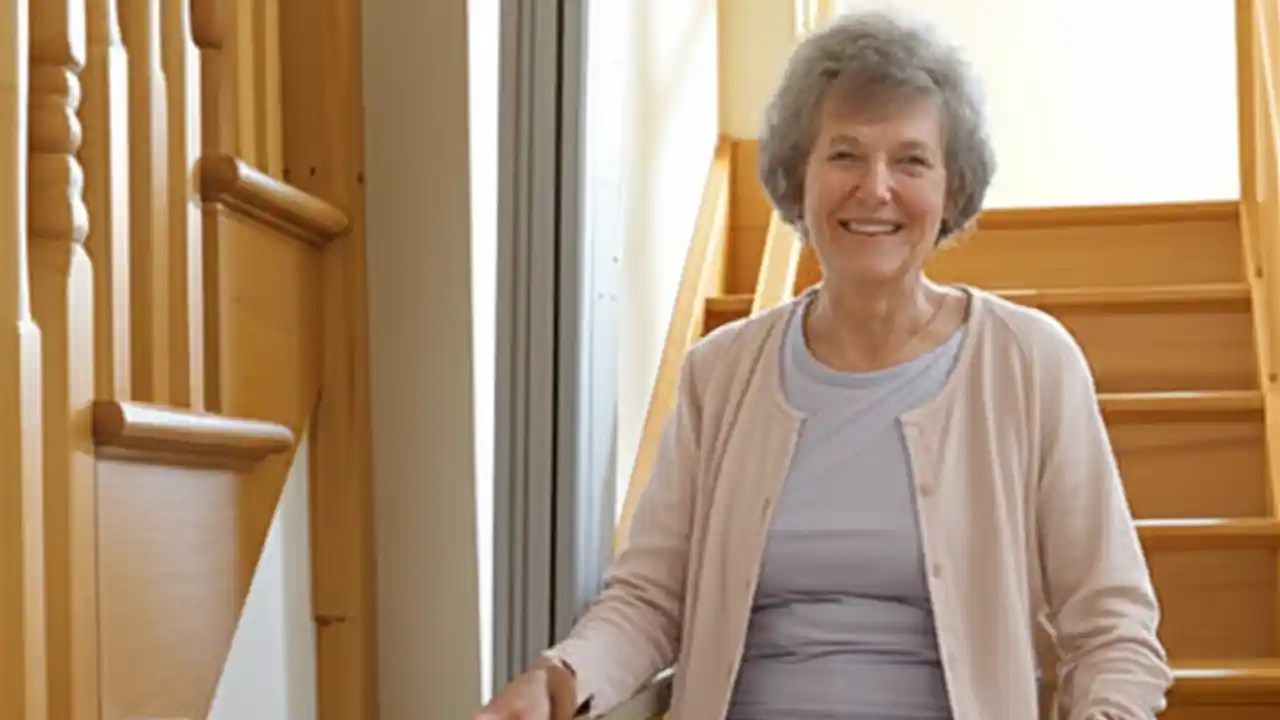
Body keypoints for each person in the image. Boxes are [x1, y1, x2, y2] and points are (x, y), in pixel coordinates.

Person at [477, 9, 1172, 720]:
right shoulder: (720, 373)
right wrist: (557, 680)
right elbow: (652, 599)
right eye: (845, 154)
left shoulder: (1028, 360)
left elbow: (1111, 629)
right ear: (796, 179)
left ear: (952, 188)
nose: (876, 188)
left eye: (911, 159)